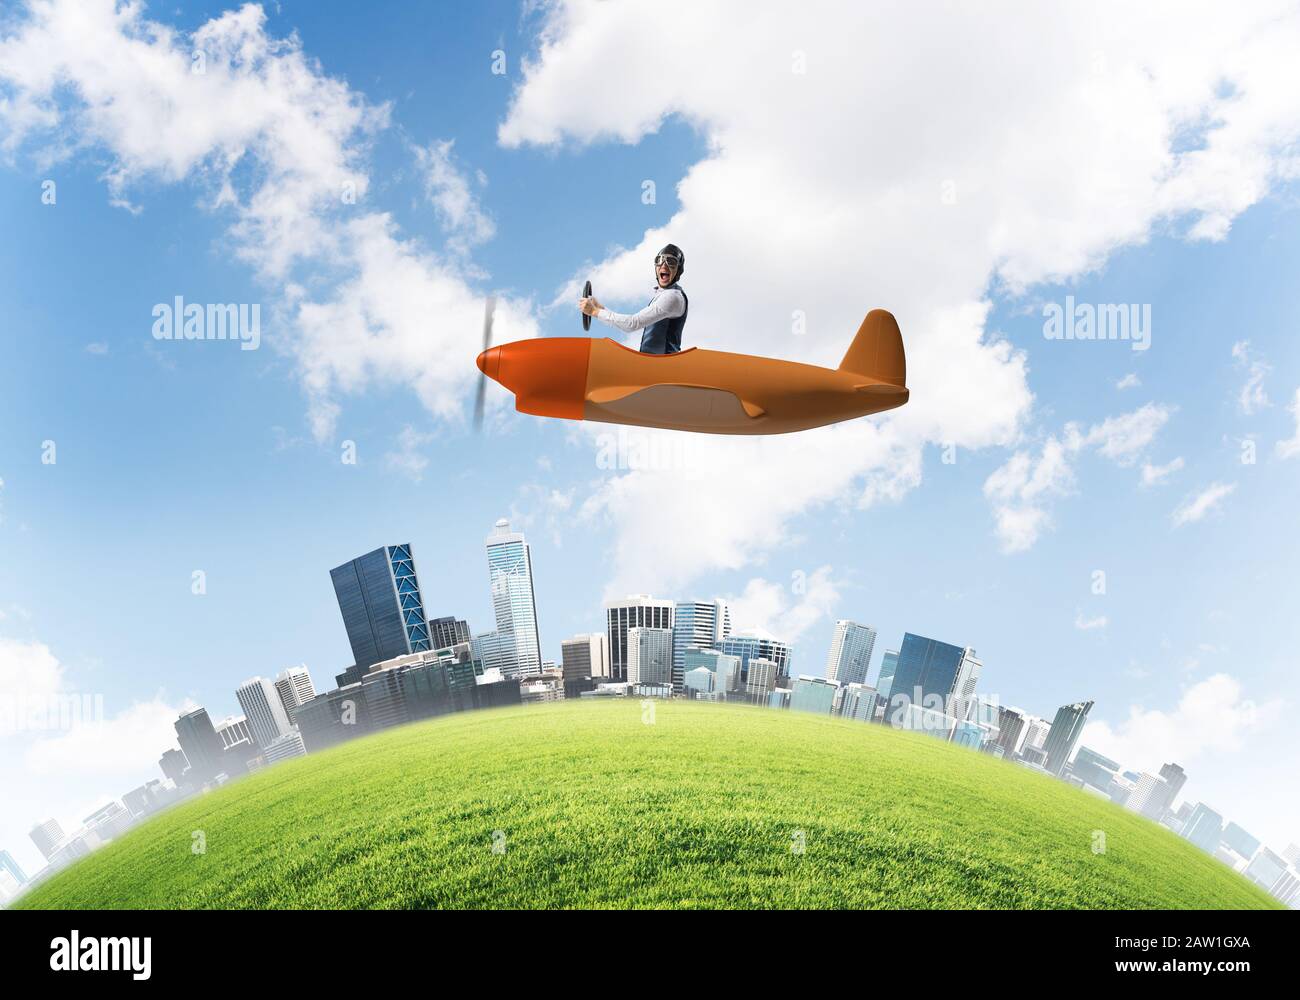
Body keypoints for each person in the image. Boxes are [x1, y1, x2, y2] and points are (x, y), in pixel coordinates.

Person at [579, 244, 687, 354]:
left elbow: (632, 323)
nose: (664, 265)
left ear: (678, 270)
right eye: (659, 260)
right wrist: (601, 309)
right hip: (652, 364)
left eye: (671, 262)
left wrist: (594, 311)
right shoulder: (664, 295)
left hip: (663, 367)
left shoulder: (673, 297)